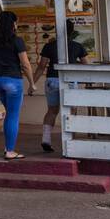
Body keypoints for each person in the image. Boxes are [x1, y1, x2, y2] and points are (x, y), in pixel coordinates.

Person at [31, 19, 87, 153]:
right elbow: (86, 65)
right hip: (70, 81)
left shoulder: (49, 46)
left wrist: (32, 84)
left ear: (57, 31)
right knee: (72, 111)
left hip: (52, 81)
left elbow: (41, 66)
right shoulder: (78, 46)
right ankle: (70, 141)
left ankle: (46, 139)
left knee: (52, 111)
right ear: (72, 32)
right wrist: (74, 64)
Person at [0, 10, 35, 160]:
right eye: (15, 22)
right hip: (13, 80)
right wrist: (32, 83)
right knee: (13, 115)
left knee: (10, 114)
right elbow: (25, 64)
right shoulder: (17, 40)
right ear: (13, 24)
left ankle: (8, 147)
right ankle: (10, 151)